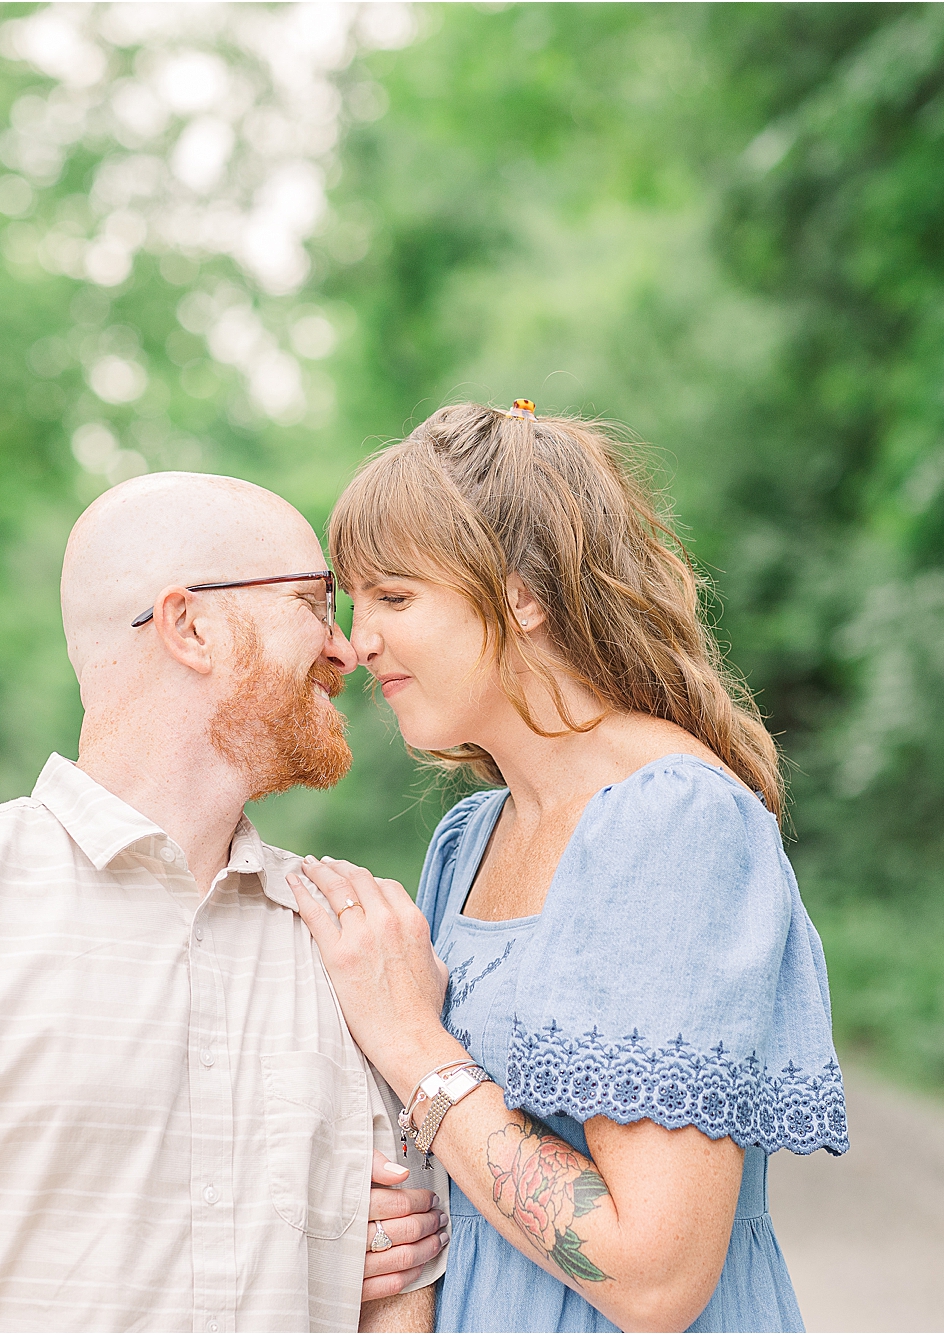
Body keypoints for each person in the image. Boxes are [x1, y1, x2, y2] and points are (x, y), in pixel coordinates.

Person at [0, 474, 448, 1332]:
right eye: (312, 602)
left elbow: (400, 1286)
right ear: (191, 626)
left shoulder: (347, 933)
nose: (346, 650)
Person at [286, 402, 849, 1332]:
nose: (358, 641)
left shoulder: (676, 821)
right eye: (353, 603)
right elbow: (442, 1172)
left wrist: (414, 1046)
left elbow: (654, 1275)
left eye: (393, 596)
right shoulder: (467, 841)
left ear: (522, 595)